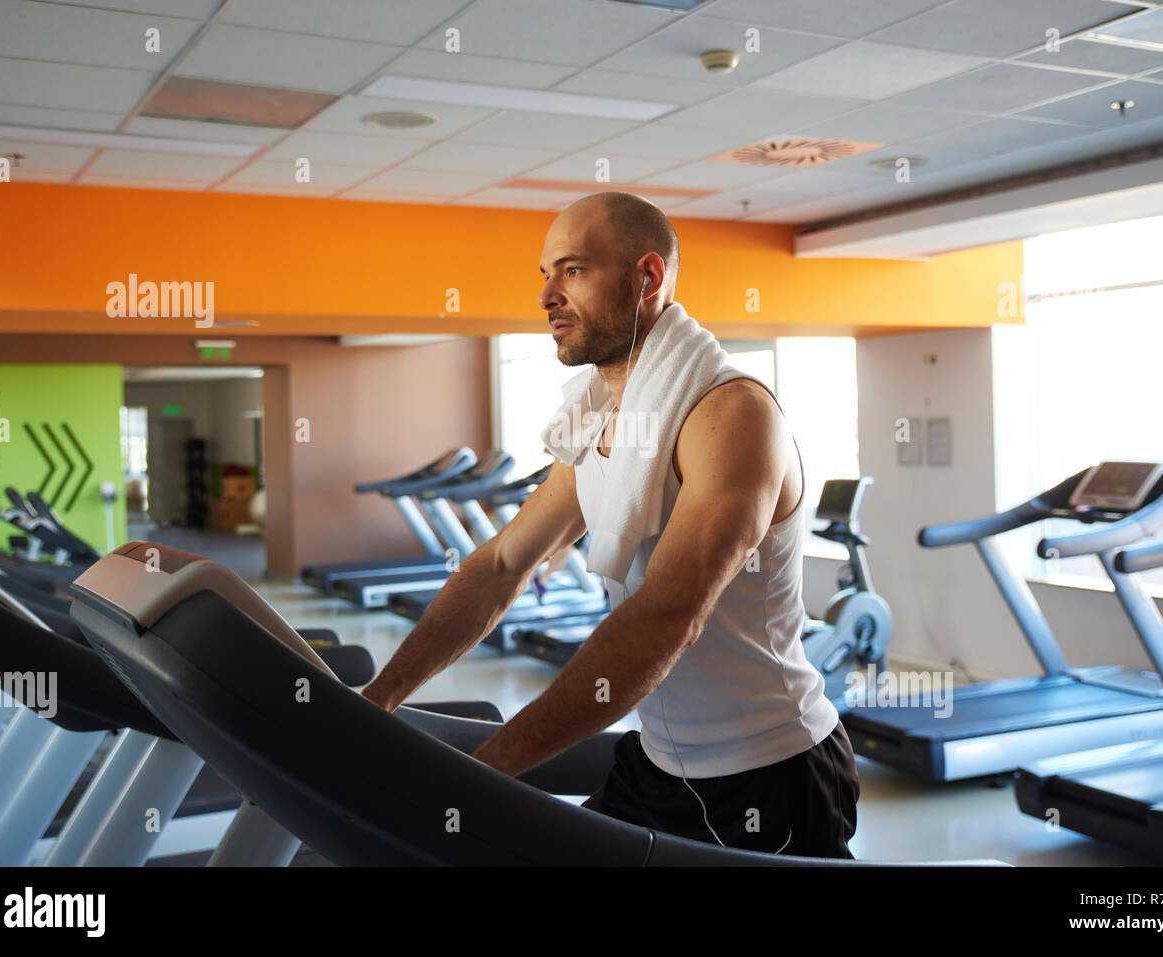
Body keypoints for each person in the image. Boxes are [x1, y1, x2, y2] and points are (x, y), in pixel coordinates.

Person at [363, 191, 859, 858]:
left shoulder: (731, 416)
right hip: (655, 763)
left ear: (647, 277)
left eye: (571, 269)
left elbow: (668, 614)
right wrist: (378, 698)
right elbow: (501, 565)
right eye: (544, 274)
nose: (545, 296)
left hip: (767, 776)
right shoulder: (601, 420)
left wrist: (483, 772)